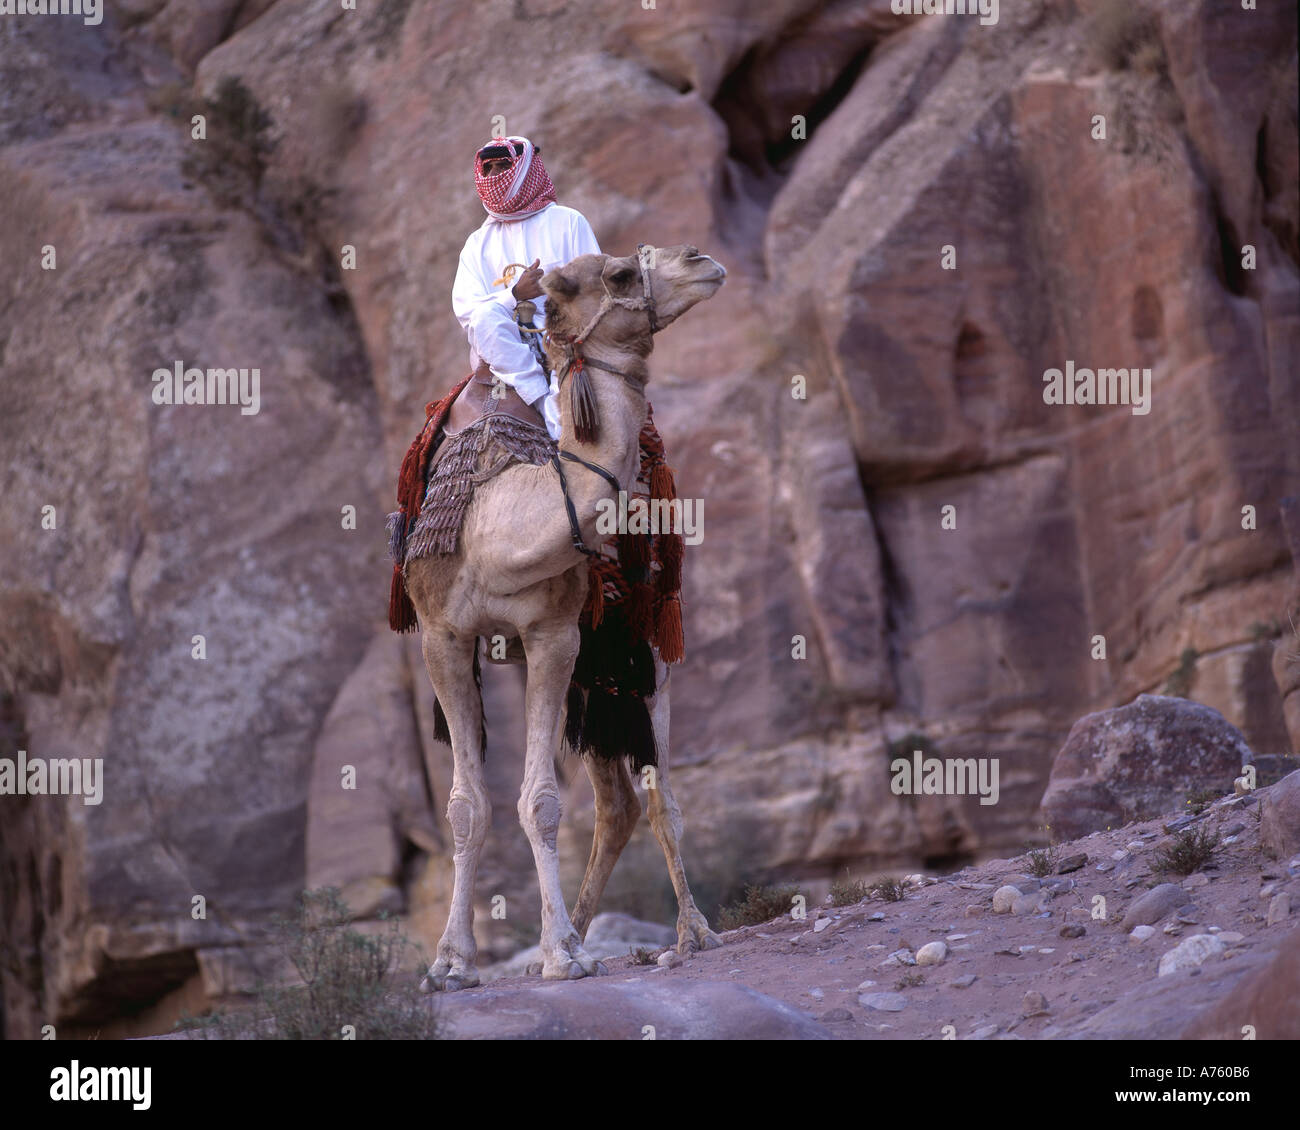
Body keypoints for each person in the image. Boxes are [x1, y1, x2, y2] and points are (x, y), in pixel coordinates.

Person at [451, 136, 600, 440]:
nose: (494, 177)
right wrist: (514, 295)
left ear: (525, 169)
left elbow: (593, 290)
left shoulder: (568, 222)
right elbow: (469, 314)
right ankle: (542, 402)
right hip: (508, 358)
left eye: (503, 166)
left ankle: (562, 409)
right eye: (488, 169)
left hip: (565, 344)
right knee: (485, 320)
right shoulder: (477, 245)